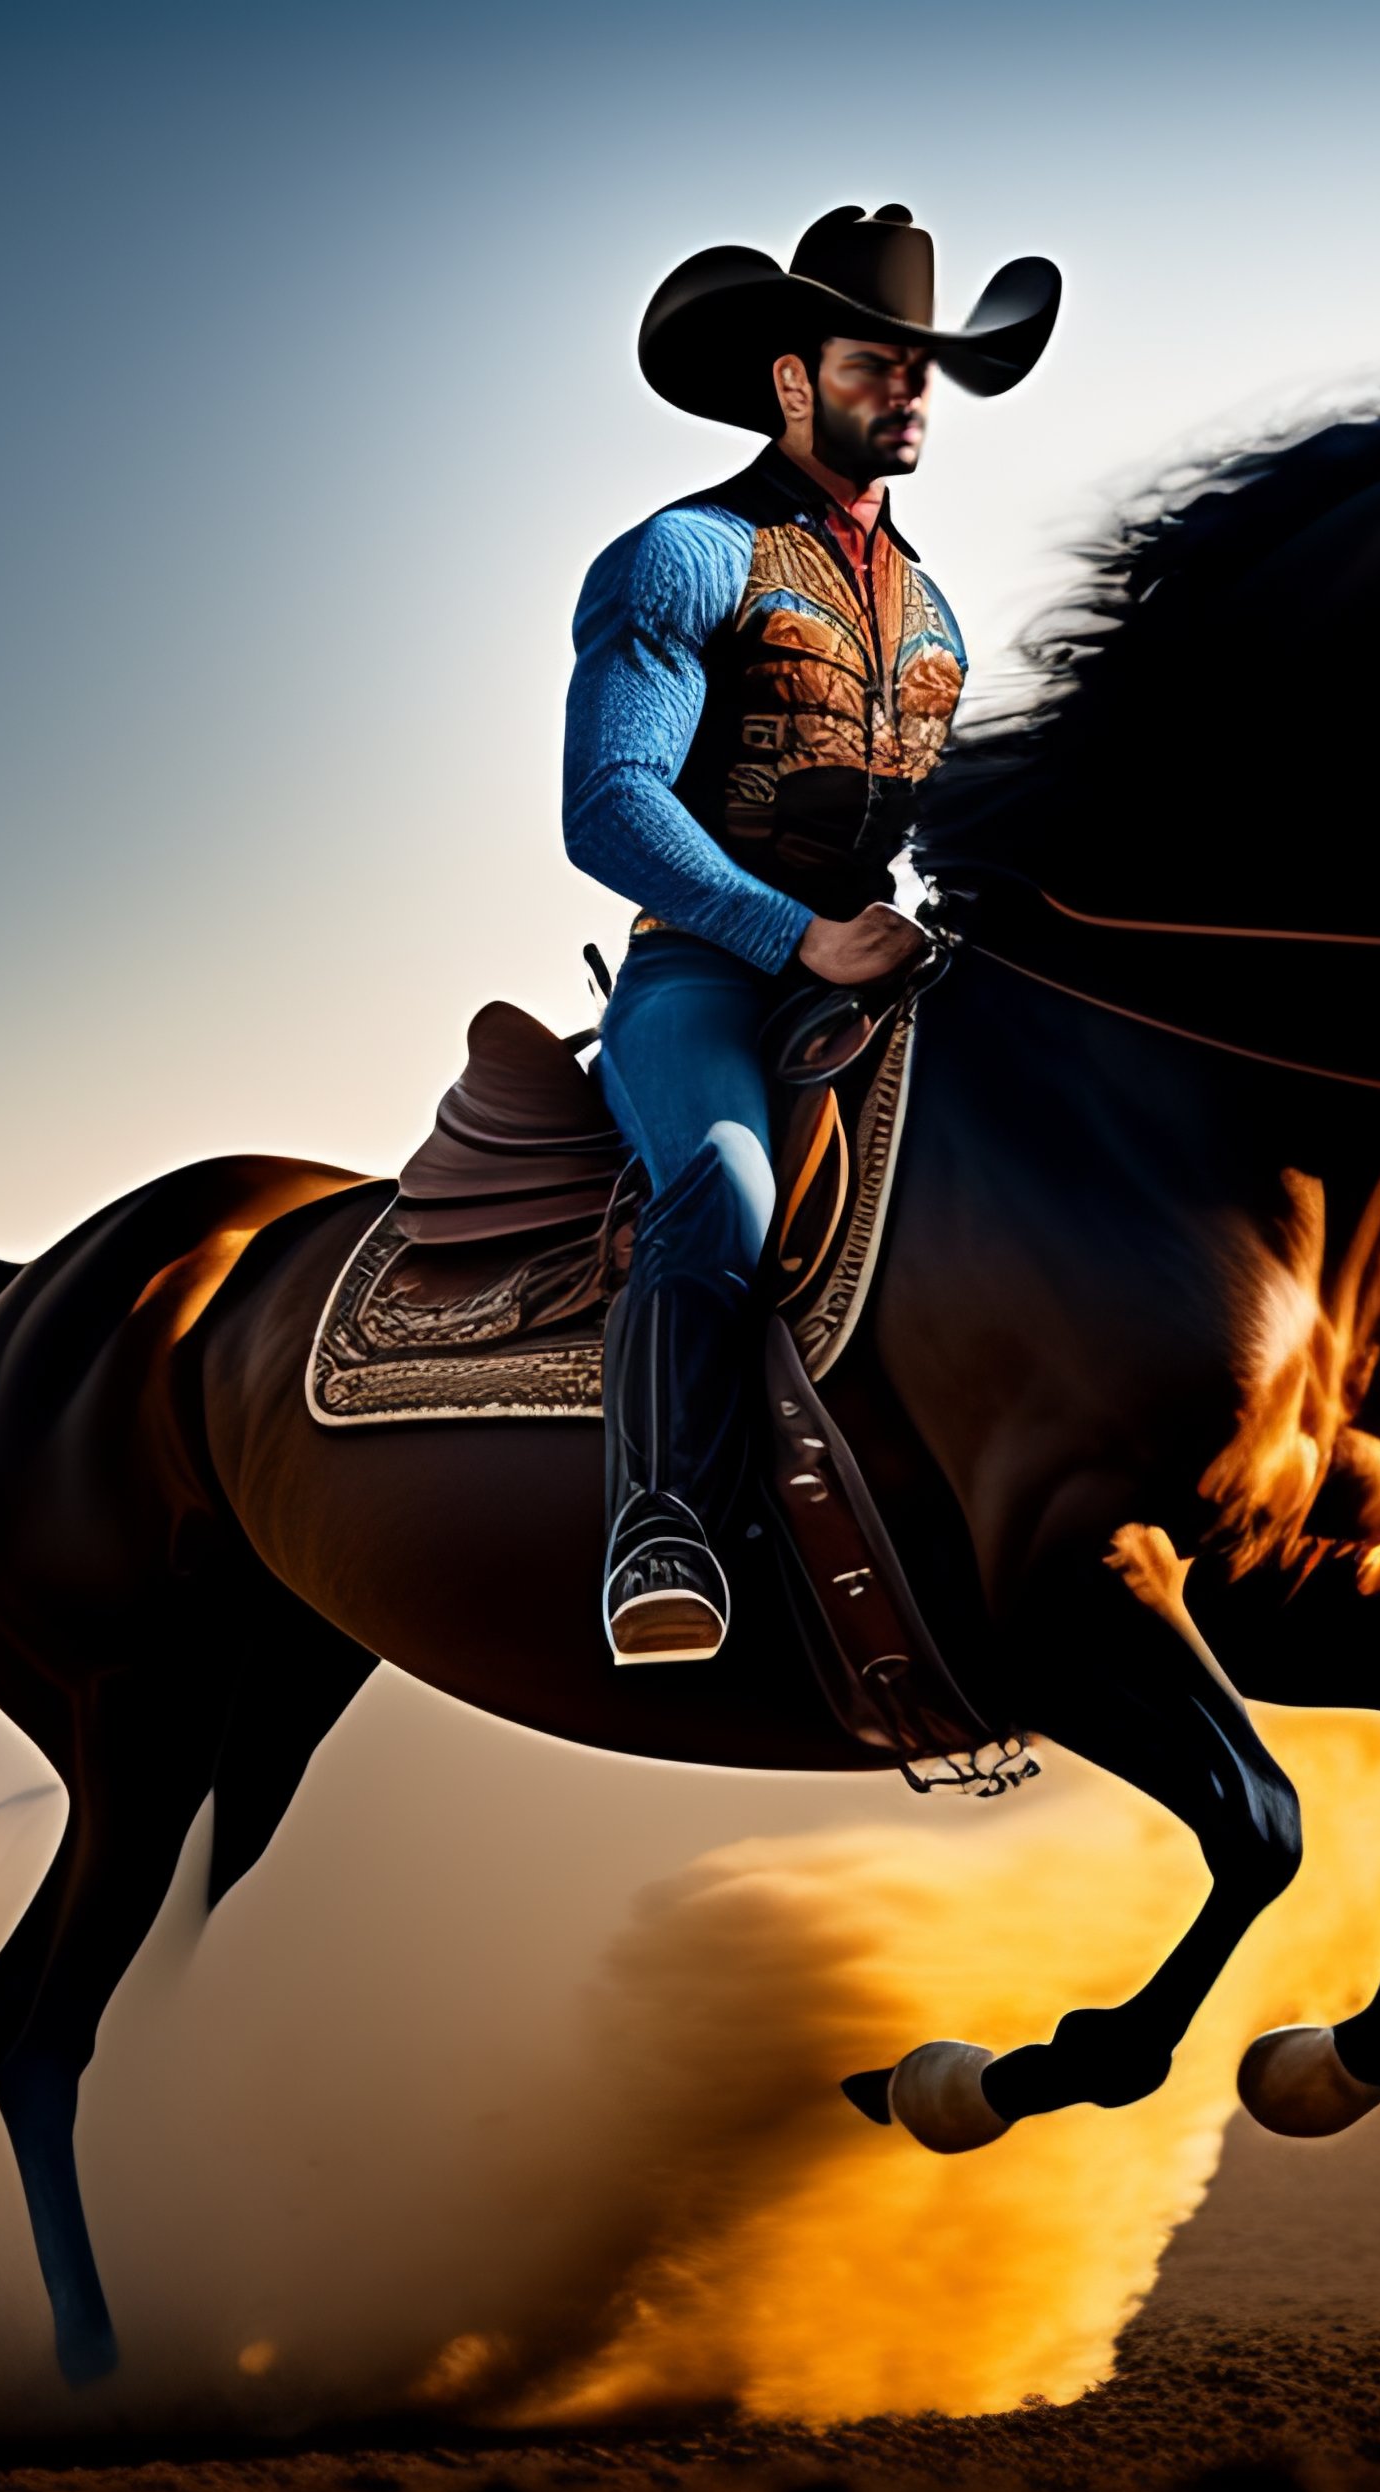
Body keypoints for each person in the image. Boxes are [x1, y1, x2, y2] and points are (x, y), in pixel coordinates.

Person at [565, 204, 1061, 1666]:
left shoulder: (937, 615)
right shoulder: (683, 557)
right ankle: (660, 1529)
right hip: (702, 972)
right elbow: (610, 804)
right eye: (875, 363)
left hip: (891, 970)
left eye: (925, 369)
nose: (909, 393)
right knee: (722, 1188)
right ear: (791, 381)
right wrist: (795, 933)